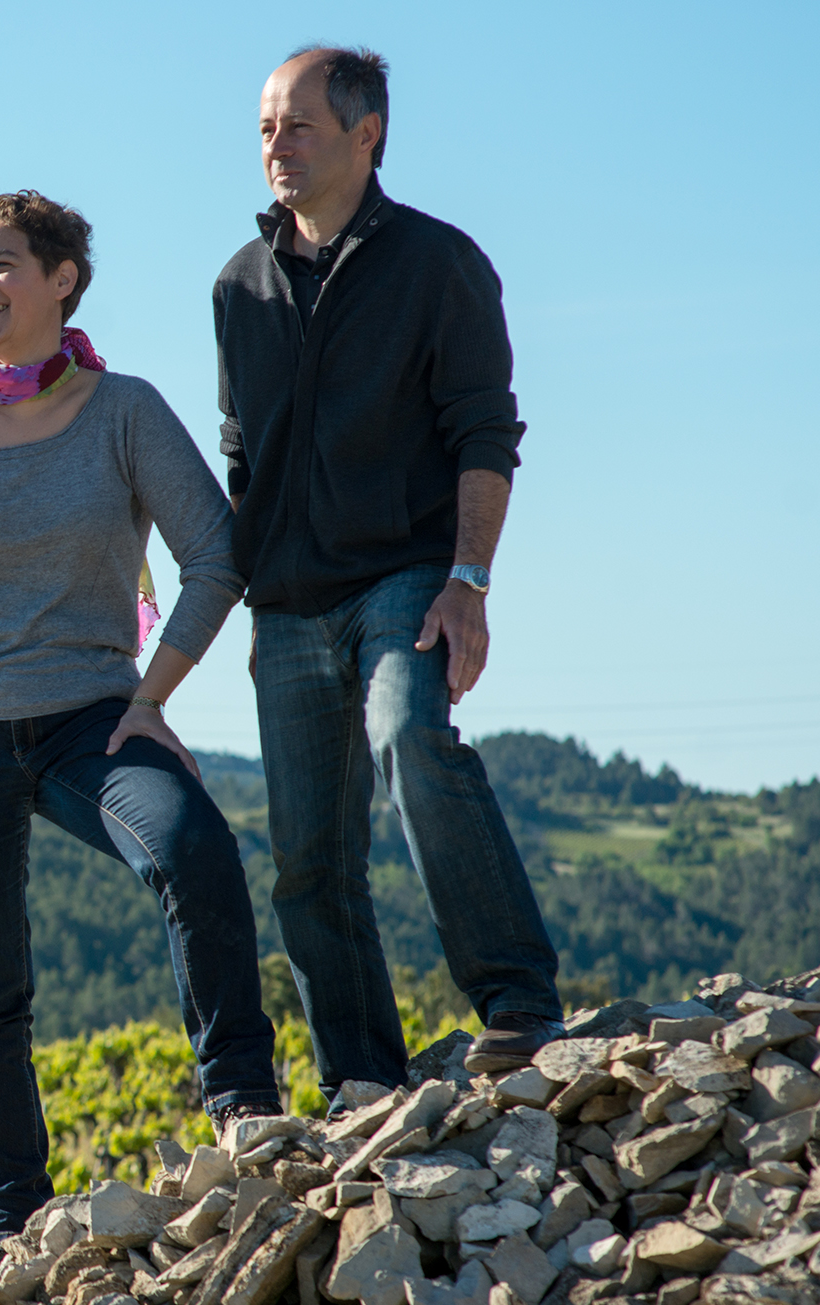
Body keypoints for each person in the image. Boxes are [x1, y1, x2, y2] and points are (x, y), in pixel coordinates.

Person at [0, 190, 281, 1258]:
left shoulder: (123, 410)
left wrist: (153, 695)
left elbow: (217, 556)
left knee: (194, 850)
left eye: (0, 265)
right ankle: (15, 1230)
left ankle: (245, 1112)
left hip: (91, 716)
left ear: (61, 279)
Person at [215, 46, 565, 1096]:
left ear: (366, 134)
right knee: (307, 864)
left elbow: (483, 433)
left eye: (298, 124)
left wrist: (469, 579)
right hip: (283, 604)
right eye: (266, 125)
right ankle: (359, 1080)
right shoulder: (239, 283)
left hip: (407, 576)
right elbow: (242, 450)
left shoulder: (438, 264)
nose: (276, 143)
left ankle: (518, 1001)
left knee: (409, 736)